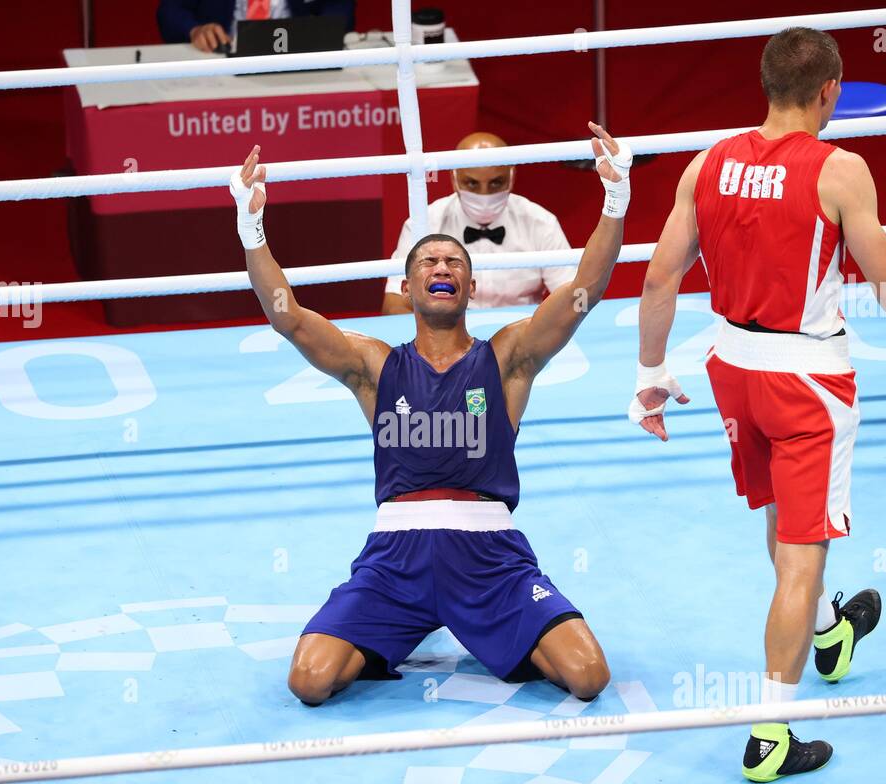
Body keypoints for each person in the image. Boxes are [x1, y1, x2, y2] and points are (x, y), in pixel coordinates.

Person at [629, 27, 886, 782]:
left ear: (765, 85)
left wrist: (649, 372)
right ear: (830, 91)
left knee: (785, 522)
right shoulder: (841, 170)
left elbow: (658, 280)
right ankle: (771, 737)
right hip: (807, 382)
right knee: (802, 556)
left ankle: (830, 639)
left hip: (731, 370)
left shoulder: (708, 161)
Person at [229, 123, 633, 704]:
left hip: (491, 561)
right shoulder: (373, 366)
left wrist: (614, 200)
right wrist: (252, 227)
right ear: (408, 282)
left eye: (453, 262)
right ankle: (412, 625)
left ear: (470, 286)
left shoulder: (508, 359)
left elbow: (583, 292)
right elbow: (287, 316)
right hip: (395, 561)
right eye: (429, 261)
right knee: (310, 680)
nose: (441, 267)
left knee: (589, 676)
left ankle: (484, 625)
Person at [381, 132, 578, 314]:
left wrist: (542, 335)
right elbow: (394, 305)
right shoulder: (424, 223)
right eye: (472, 184)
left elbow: (575, 297)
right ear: (454, 177)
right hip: (447, 340)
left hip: (524, 338)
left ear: (511, 176)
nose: (484, 195)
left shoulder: (540, 222)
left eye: (496, 183)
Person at [157, 0, 356, 52]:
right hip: (224, 56)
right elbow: (170, 11)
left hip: (300, 57)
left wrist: (321, 30)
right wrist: (195, 30)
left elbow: (340, 5)